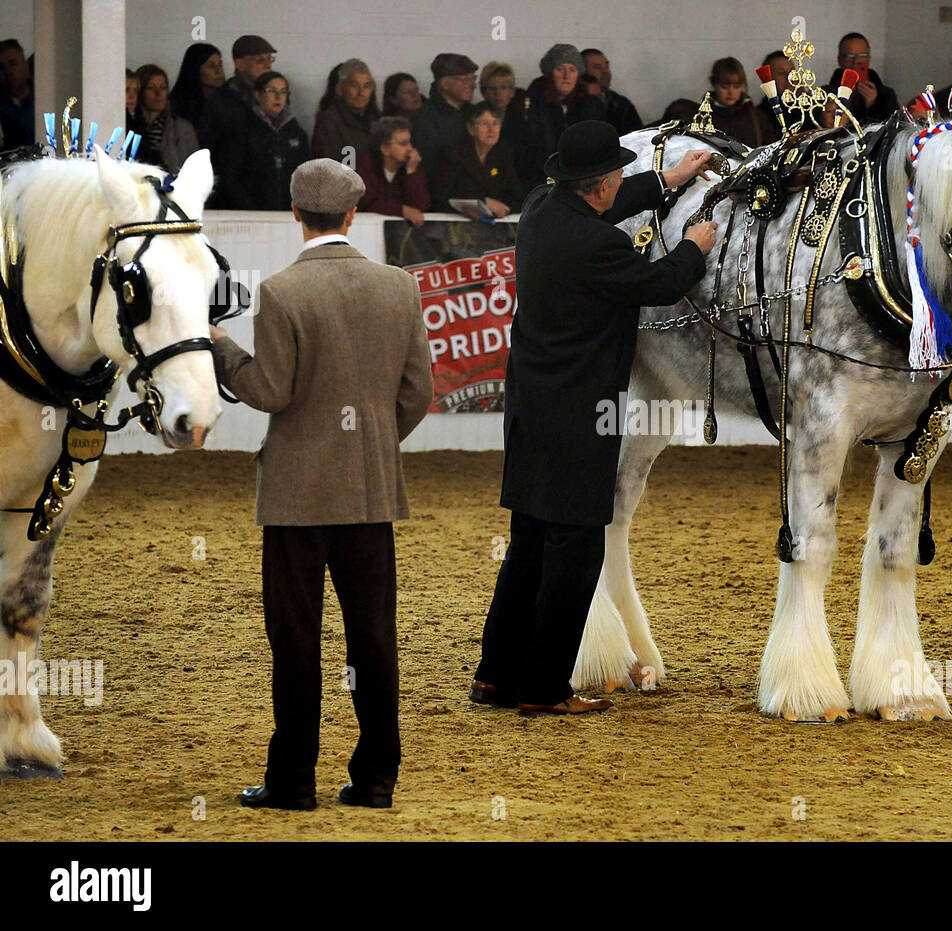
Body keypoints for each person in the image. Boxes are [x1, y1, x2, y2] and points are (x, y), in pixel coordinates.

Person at [471, 121, 717, 715]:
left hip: (530, 405)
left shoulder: (539, 212)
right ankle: (544, 689)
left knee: (528, 544)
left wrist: (666, 180)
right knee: (575, 552)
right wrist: (695, 245)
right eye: (616, 180)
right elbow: (658, 283)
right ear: (601, 184)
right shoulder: (598, 246)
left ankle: (497, 675)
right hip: (581, 416)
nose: (617, 188)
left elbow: (610, 205)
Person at [212, 158, 434, 810]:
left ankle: (293, 780)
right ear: (350, 215)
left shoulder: (281, 291)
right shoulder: (399, 286)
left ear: (293, 214)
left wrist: (220, 346)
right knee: (373, 637)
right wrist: (369, 441)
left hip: (295, 496)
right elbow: (417, 393)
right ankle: (376, 778)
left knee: (296, 638)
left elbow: (270, 390)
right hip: (368, 492)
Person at [200, 36, 278, 208]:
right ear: (240, 64)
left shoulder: (273, 98)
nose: (267, 65)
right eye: (260, 60)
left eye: (269, 59)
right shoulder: (222, 102)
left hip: (267, 197)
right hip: (232, 199)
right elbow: (221, 160)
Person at [517, 44, 605, 190]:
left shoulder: (591, 106)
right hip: (537, 185)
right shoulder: (530, 104)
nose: (566, 76)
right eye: (560, 69)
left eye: (572, 70)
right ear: (549, 73)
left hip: (582, 187)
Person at [432, 100, 524, 217]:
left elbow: (516, 195)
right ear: (471, 129)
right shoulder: (453, 153)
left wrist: (503, 209)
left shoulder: (503, 153)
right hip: (458, 221)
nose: (491, 130)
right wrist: (483, 202)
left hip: (496, 222)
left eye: (495, 124)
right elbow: (442, 196)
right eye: (485, 124)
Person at [244, 70, 310, 210]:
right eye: (271, 91)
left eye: (283, 91)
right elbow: (233, 176)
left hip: (290, 212)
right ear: (257, 95)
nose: (278, 96)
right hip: (252, 213)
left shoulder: (297, 132)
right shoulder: (244, 129)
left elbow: (306, 175)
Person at [409, 53, 477, 184]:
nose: (473, 85)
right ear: (445, 83)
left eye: (473, 78)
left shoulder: (474, 113)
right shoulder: (424, 120)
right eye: (465, 80)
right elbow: (428, 167)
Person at [356, 116, 431, 224]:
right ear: (385, 149)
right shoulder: (364, 166)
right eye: (403, 144)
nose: (410, 148)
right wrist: (401, 210)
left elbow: (421, 206)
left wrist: (411, 173)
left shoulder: (413, 166)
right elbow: (365, 202)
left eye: (410, 142)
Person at [819, 32, 900, 127]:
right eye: (849, 56)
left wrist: (873, 105)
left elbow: (893, 131)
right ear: (839, 60)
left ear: (868, 59)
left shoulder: (887, 95)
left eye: (862, 55)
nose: (856, 61)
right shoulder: (823, 94)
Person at [132, 64, 199, 174]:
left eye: (163, 88)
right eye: (151, 88)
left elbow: (196, 170)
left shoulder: (183, 129)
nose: (158, 94)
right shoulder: (132, 128)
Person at [311, 58, 380, 161]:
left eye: (366, 86)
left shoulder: (376, 119)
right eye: (354, 86)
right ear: (339, 89)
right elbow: (328, 168)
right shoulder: (329, 121)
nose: (361, 93)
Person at [706, 57, 778, 147]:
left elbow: (771, 148)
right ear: (714, 84)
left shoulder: (757, 117)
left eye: (736, 86)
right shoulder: (703, 115)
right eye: (724, 86)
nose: (731, 92)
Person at [582, 48, 642, 135]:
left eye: (606, 66)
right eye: (597, 67)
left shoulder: (622, 104)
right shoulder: (572, 104)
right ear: (583, 72)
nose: (605, 71)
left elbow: (637, 136)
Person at [169, 42, 224, 129]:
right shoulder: (178, 106)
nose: (219, 71)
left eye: (220, 65)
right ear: (195, 70)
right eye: (211, 66)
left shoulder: (228, 101)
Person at [480, 61, 529, 155]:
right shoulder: (476, 116)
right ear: (484, 92)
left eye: (503, 88)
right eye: (492, 88)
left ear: (512, 92)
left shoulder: (525, 116)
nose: (498, 93)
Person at [0, 39, 33, 149]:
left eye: (12, 64)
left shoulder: (44, 97)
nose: (8, 71)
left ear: (25, 66)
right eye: (1, 67)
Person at [758, 50, 792, 136]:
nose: (790, 78)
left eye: (792, 72)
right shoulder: (760, 117)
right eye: (782, 73)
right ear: (768, 79)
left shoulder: (810, 110)